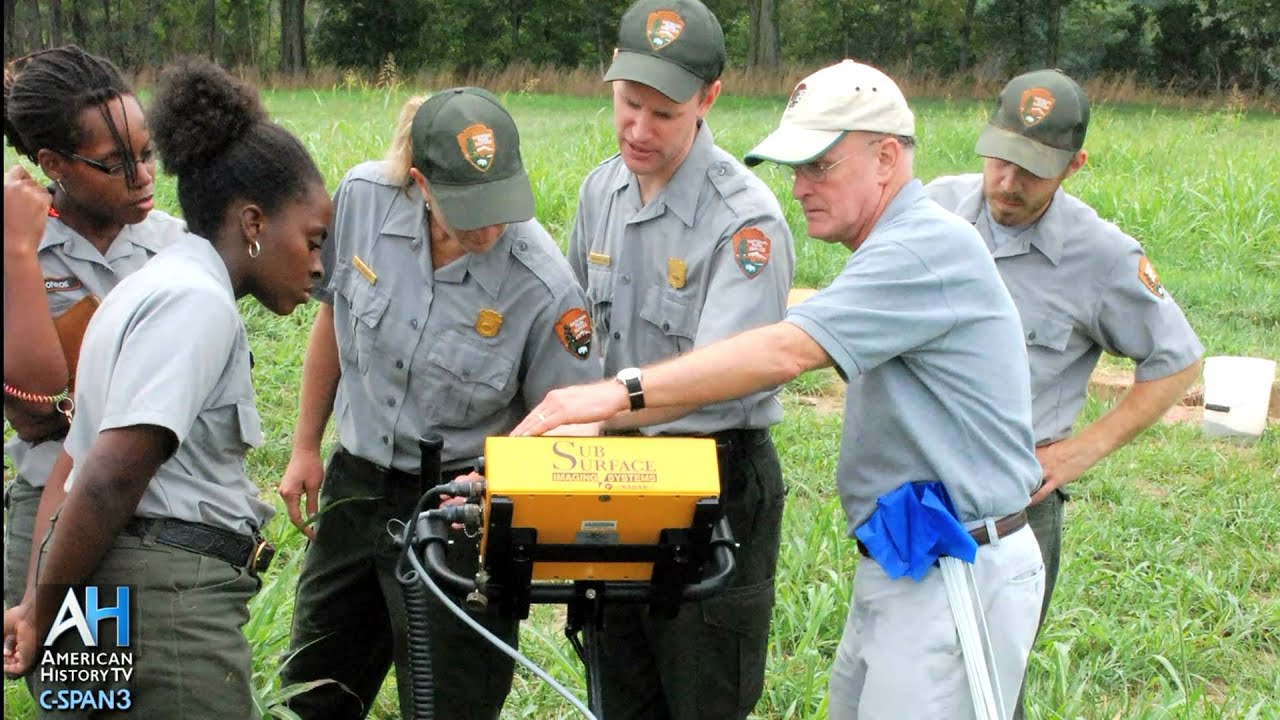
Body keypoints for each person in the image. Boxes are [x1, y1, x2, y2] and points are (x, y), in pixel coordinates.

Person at [516, 59, 1047, 719]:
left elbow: (784, 349)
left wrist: (610, 397)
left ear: (886, 158)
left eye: (820, 165)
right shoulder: (902, 242)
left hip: (956, 565)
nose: (799, 189)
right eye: (796, 168)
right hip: (906, 556)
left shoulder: (922, 248)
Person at [2, 58, 332, 719]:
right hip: (167, 605)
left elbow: (79, 464)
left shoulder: (158, 271)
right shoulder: (192, 300)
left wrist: (44, 599)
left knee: (85, 711)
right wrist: (45, 602)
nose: (320, 265)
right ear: (253, 223)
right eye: (314, 240)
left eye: (146, 156)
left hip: (87, 558)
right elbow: (102, 477)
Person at [277, 87, 604, 720]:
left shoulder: (543, 286)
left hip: (462, 511)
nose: (488, 227)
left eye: (500, 204)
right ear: (422, 183)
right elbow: (334, 323)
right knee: (313, 689)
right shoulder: (363, 200)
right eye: (468, 210)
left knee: (453, 700)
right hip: (357, 484)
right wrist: (303, 447)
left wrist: (501, 494)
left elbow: (573, 425)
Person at [925, 68, 1204, 718]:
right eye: (1001, 159)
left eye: (1034, 169)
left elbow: (1177, 358)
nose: (1009, 183)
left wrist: (1080, 451)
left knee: (987, 695)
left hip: (1011, 507)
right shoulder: (934, 210)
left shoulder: (1100, 256)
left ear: (1075, 164)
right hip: (913, 490)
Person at [565, 1, 795, 716]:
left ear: (709, 98)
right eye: (628, 104)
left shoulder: (744, 222)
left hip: (712, 484)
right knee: (619, 689)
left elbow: (719, 377)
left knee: (701, 697)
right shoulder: (601, 191)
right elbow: (572, 336)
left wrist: (605, 408)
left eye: (663, 113)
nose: (638, 129)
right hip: (613, 473)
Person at [3, 45, 184, 622]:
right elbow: (36, 412)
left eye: (147, 153)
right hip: (53, 516)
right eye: (115, 163)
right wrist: (18, 255)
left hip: (163, 510)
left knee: (162, 700)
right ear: (53, 163)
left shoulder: (178, 249)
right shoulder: (19, 250)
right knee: (81, 693)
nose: (143, 177)